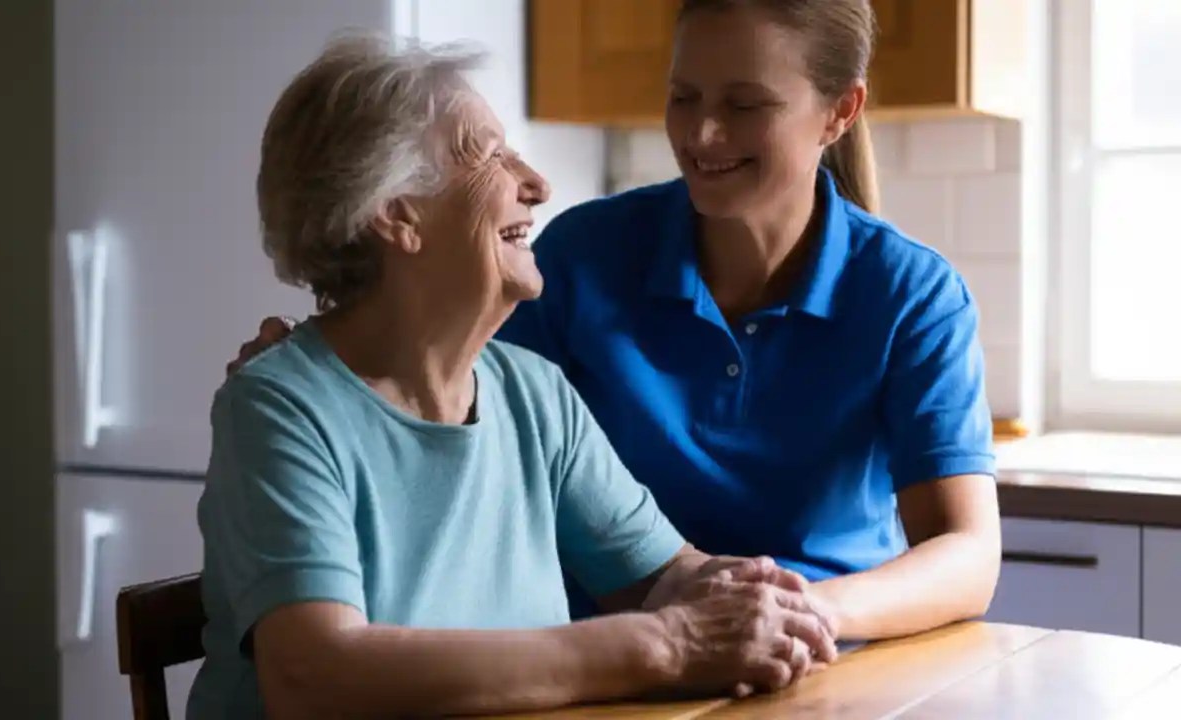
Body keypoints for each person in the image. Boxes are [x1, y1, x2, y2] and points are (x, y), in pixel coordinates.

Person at [235, 0, 1003, 644]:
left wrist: (802, 610)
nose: (702, 135)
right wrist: (317, 372)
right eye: (684, 97)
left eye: (744, 105)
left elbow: (965, 553)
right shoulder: (581, 259)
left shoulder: (910, 294)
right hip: (603, 661)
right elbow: (433, 391)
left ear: (841, 111)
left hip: (803, 655)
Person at [190, 35, 839, 720]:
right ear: (397, 214)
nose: (535, 183)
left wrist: (756, 597)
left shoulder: (533, 393)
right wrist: (664, 645)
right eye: (489, 154)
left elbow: (662, 578)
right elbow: (315, 677)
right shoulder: (281, 408)